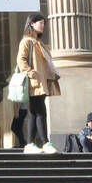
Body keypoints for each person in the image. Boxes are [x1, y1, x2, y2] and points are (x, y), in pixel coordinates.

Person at [16, 13, 60, 154]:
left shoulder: (38, 42)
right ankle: (44, 143)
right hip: (34, 83)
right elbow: (21, 60)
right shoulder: (27, 41)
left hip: (41, 83)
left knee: (35, 112)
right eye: (40, 23)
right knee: (40, 111)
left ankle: (30, 143)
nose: (43, 26)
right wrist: (31, 73)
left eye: (43, 23)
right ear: (32, 24)